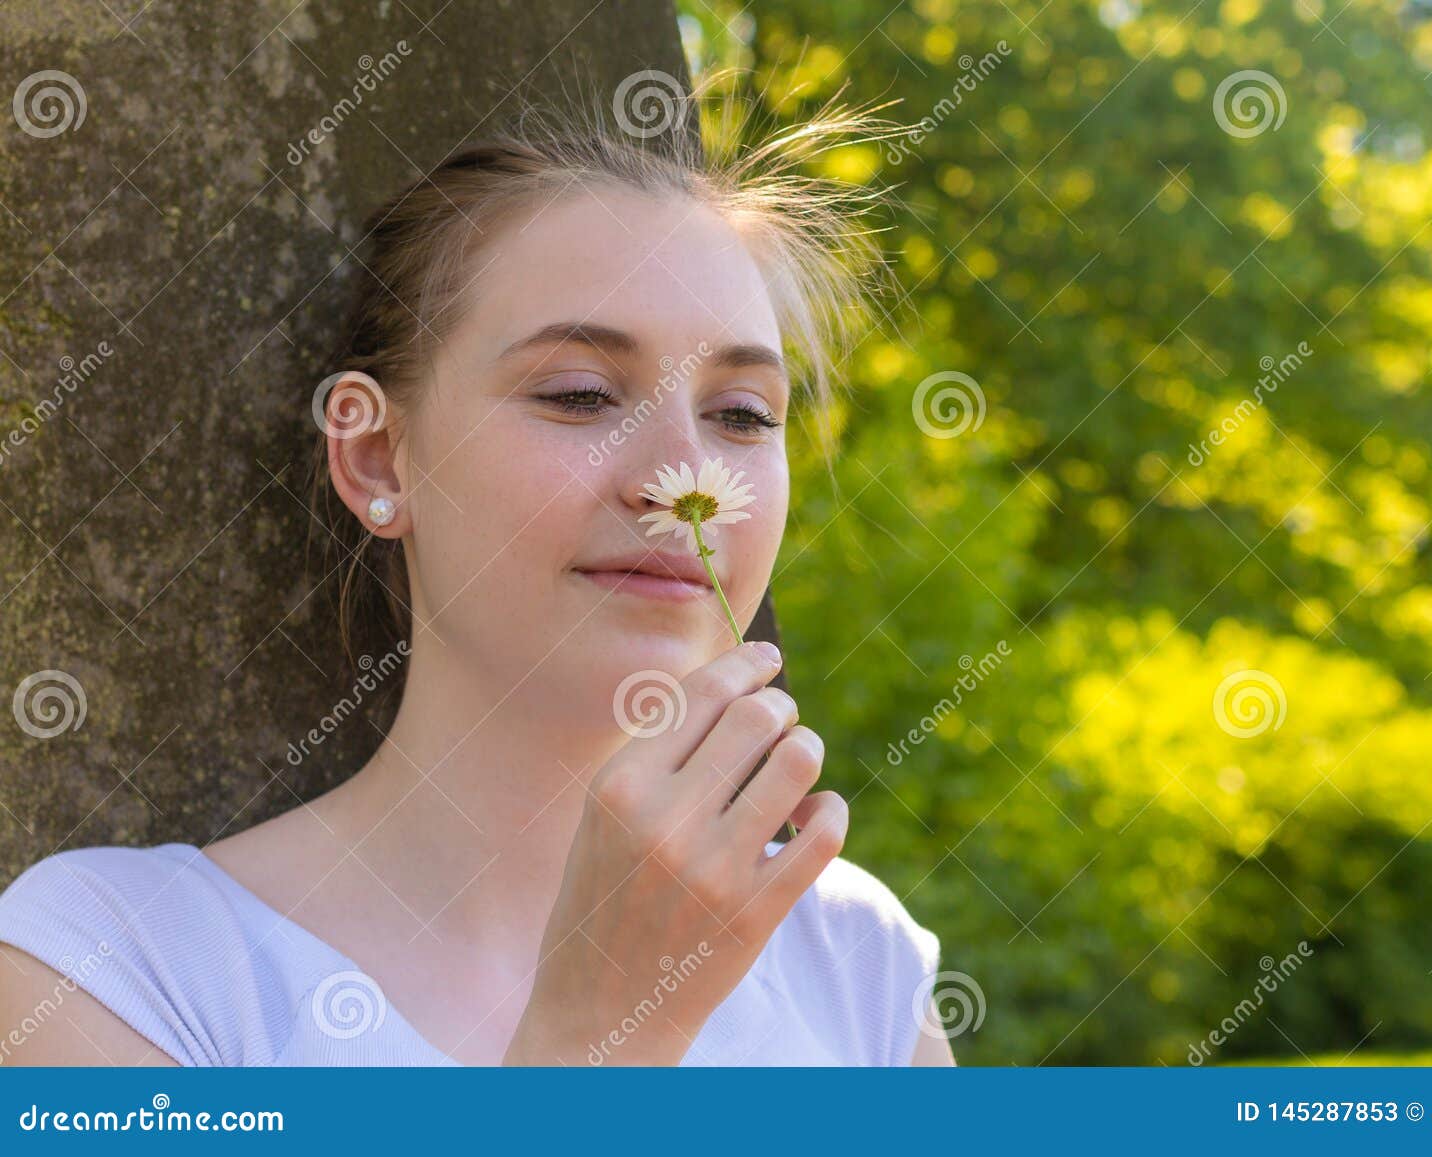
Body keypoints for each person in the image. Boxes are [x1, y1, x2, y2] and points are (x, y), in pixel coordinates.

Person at [0, 80, 954, 1067]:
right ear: (377, 458)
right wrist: (601, 1030)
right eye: (580, 395)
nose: (683, 478)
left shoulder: (857, 967)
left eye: (742, 414)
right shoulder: (110, 970)